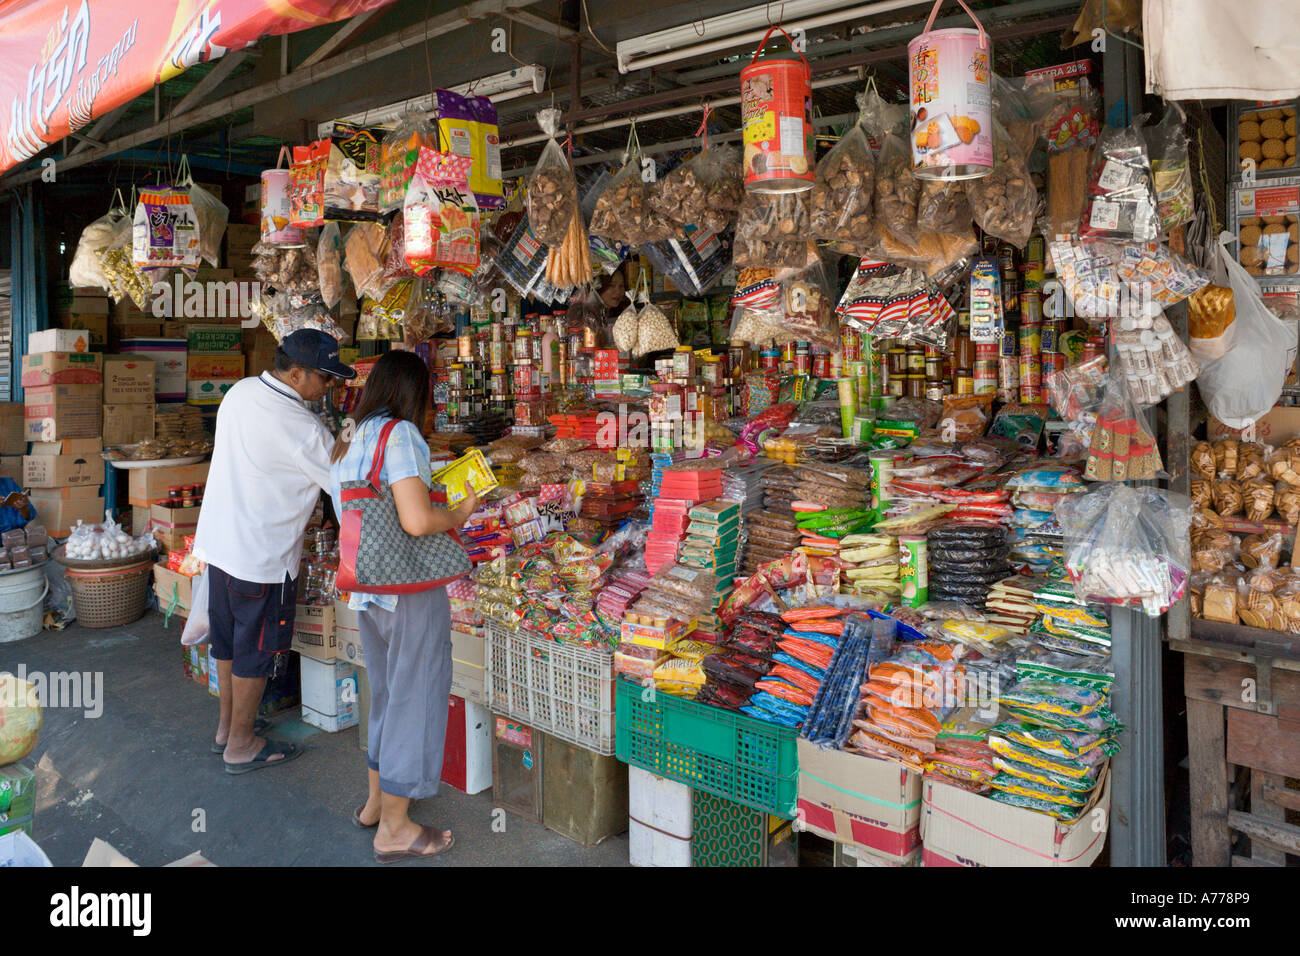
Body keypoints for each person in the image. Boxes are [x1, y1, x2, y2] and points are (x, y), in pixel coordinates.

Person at [328, 350, 477, 863]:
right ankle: (394, 827)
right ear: (416, 394)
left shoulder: (347, 437)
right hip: (409, 590)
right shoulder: (400, 436)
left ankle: (375, 803)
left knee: (389, 692)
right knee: (416, 694)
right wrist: (459, 510)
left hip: (367, 588)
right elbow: (415, 521)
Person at [192, 329, 355, 774]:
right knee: (257, 653)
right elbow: (346, 485)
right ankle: (242, 745)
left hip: (222, 546)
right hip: (261, 558)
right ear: (297, 372)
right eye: (325, 379)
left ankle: (228, 727)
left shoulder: (240, 392)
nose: (330, 387)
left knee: (227, 643)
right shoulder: (302, 428)